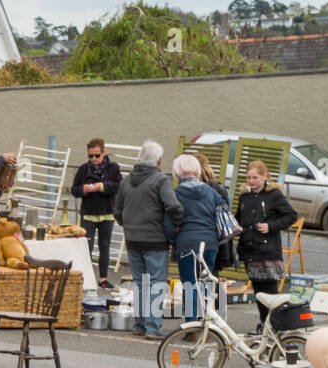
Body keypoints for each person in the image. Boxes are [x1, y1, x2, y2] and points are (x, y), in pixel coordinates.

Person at [114, 140, 183, 340]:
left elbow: (117, 210)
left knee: (140, 283)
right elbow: (173, 206)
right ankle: (153, 328)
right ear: (159, 160)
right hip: (155, 238)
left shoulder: (126, 181)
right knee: (155, 284)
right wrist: (178, 224)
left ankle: (140, 324)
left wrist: (127, 224)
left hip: (133, 238)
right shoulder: (161, 180)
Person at [236, 159, 299, 329]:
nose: (251, 181)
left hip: (268, 250)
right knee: (258, 291)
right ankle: (265, 323)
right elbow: (239, 219)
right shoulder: (244, 197)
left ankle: (277, 324)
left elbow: (291, 216)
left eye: (255, 177)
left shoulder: (274, 195)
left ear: (265, 176)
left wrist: (271, 226)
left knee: (271, 291)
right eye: (248, 177)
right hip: (250, 250)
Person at [168, 154, 222, 325]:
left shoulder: (175, 194)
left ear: (177, 172)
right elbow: (222, 213)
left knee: (190, 285)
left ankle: (192, 325)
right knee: (205, 284)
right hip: (210, 243)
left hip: (187, 243)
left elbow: (169, 222)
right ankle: (205, 323)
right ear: (198, 171)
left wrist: (172, 240)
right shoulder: (212, 192)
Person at [70, 137, 122, 287]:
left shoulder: (113, 168)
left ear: (104, 153)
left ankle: (103, 279)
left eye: (97, 155)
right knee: (87, 247)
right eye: (90, 156)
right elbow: (74, 190)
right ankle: (85, 277)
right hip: (88, 214)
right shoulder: (83, 169)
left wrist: (102, 187)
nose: (94, 159)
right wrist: (84, 190)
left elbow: (119, 186)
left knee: (105, 246)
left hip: (107, 213)